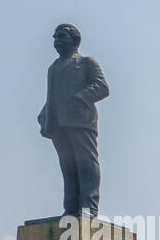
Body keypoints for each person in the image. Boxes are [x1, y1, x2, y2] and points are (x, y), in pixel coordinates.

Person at [38, 24, 110, 218]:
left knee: (86, 163)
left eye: (62, 36)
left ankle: (89, 208)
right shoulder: (53, 68)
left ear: (75, 41)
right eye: (55, 37)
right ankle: (70, 208)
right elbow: (53, 95)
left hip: (81, 121)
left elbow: (102, 87)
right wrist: (44, 113)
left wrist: (80, 98)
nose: (57, 41)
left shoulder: (86, 63)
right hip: (58, 124)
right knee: (67, 166)